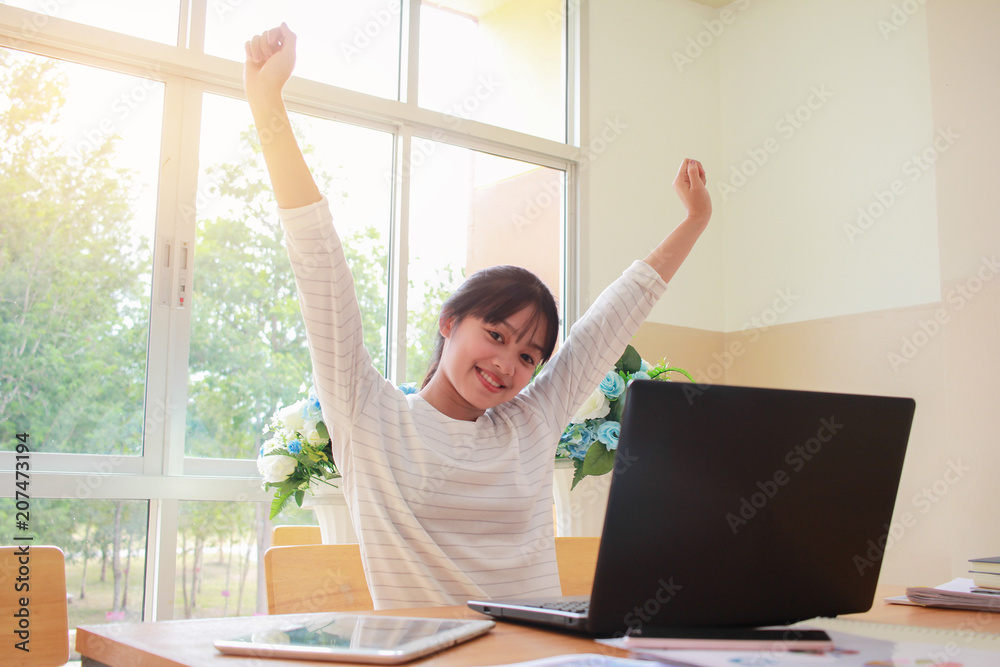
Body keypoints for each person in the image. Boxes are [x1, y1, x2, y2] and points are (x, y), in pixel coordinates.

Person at [244, 23, 712, 609]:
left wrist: (694, 222)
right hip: (434, 648)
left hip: (543, 650)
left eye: (528, 355)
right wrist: (266, 101)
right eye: (495, 334)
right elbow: (320, 267)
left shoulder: (530, 425)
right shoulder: (368, 416)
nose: (507, 364)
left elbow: (609, 322)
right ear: (449, 323)